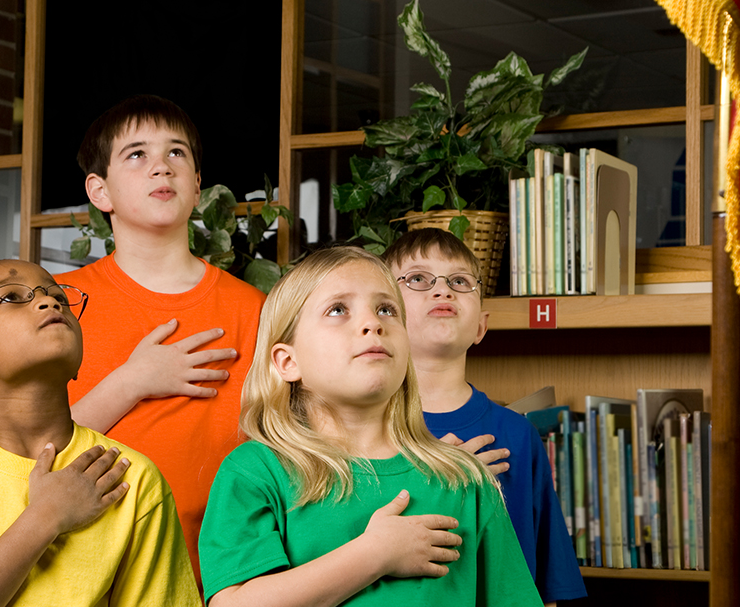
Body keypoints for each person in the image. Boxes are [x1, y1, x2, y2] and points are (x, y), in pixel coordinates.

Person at [199, 246, 541, 606]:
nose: (373, 323)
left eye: (386, 310)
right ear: (287, 362)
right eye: (337, 310)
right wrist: (375, 554)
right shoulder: (255, 473)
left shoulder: (464, 478)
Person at [0, 258, 200, 607]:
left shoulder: (132, 477)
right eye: (10, 297)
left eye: (59, 298)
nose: (50, 302)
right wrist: (45, 517)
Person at [60, 94, 265, 576]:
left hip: (225, 566)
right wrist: (133, 381)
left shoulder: (253, 309)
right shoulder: (61, 303)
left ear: (197, 185)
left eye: (177, 153)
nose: (161, 167)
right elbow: (28, 445)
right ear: (99, 191)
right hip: (95, 566)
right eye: (137, 155)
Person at [382, 228, 585, 605]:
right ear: (386, 316)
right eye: (418, 279)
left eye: (459, 281)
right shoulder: (364, 429)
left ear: (481, 326)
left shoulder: (519, 434)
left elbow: (547, 581)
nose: (442, 291)